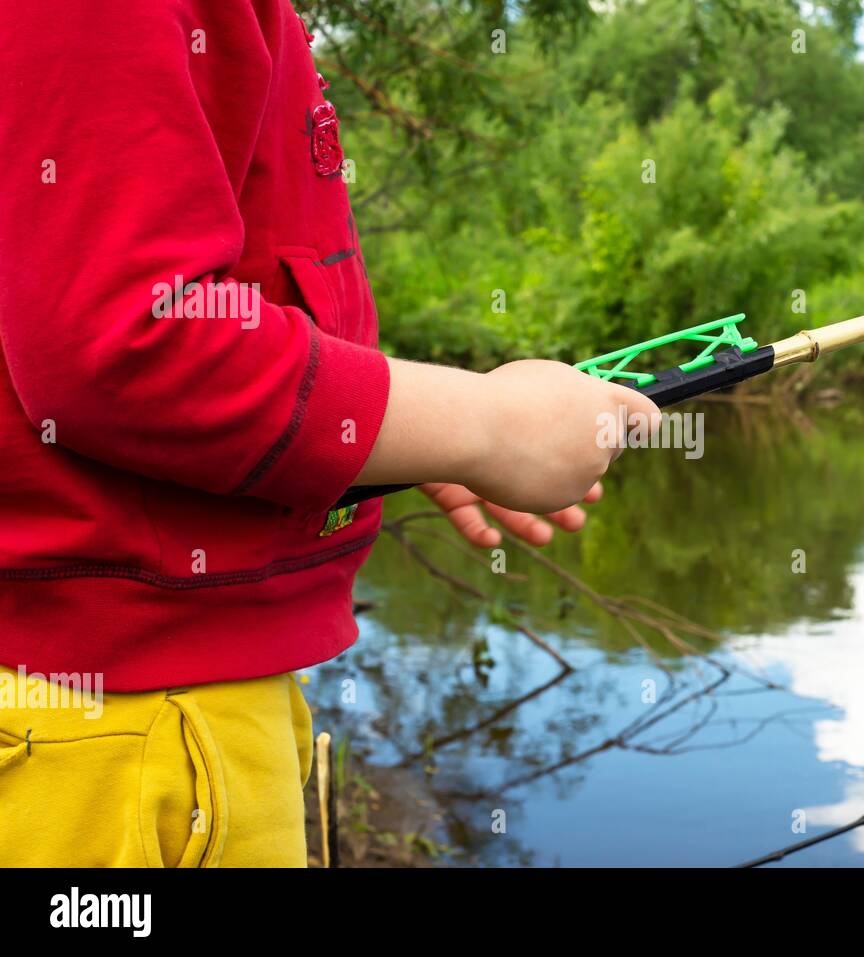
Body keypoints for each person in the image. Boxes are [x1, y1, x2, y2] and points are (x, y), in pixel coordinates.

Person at [0, 0, 659, 866]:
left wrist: (404, 431)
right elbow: (122, 337)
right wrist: (484, 426)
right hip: (117, 734)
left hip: (163, 715)